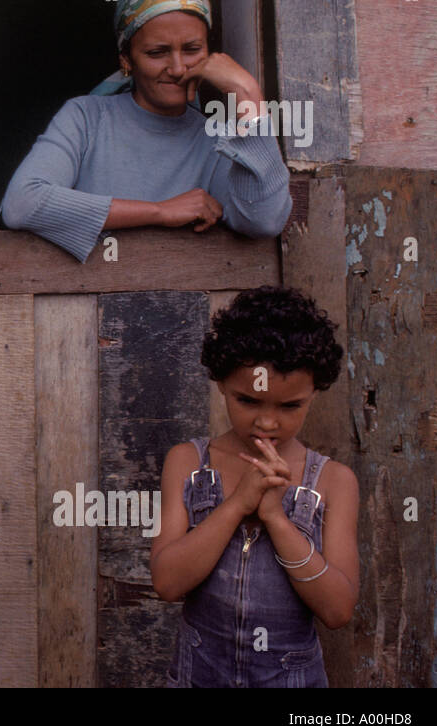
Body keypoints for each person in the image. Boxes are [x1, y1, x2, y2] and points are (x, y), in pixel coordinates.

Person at [0, 0, 292, 262]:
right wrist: (160, 211)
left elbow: (263, 221)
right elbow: (22, 203)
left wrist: (247, 91)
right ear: (127, 60)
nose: (177, 68)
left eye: (192, 50)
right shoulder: (86, 118)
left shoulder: (218, 138)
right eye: (157, 53)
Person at [150, 287, 359, 687]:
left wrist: (276, 519)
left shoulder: (333, 482)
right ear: (221, 384)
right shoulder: (189, 463)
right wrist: (236, 505)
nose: (267, 423)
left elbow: (337, 610)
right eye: (248, 401)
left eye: (289, 406)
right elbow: (167, 582)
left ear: (314, 393)